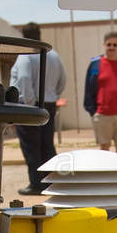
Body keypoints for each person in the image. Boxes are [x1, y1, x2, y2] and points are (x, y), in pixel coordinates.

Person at [10, 23, 67, 195]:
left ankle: (36, 184)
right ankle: (51, 182)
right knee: (47, 145)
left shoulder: (26, 54)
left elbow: (25, 78)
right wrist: (53, 95)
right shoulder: (53, 54)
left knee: (31, 146)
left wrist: (28, 103)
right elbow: (62, 79)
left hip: (31, 105)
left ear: (23, 35)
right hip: (49, 103)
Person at [83, 30, 117, 156]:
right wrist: (93, 111)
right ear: (104, 45)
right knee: (104, 149)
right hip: (102, 115)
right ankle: (105, 175)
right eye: (109, 44)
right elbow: (88, 89)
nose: (111, 47)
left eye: (115, 45)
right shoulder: (95, 65)